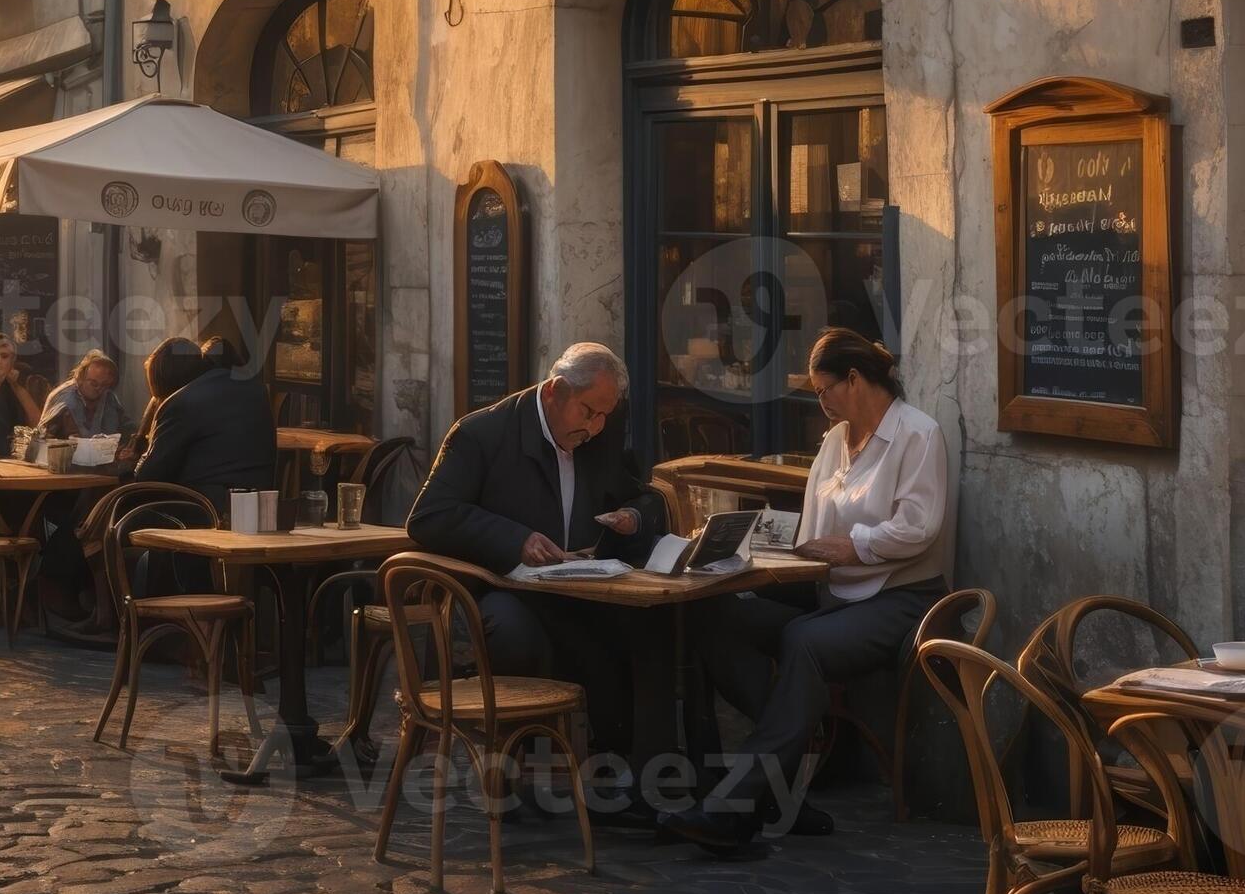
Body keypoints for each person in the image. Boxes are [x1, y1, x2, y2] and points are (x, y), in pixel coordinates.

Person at [657, 330, 952, 856]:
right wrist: (754, 544)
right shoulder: (835, 441)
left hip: (902, 597)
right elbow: (812, 531)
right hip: (835, 591)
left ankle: (733, 809)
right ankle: (773, 782)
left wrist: (852, 546)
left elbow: (919, 527)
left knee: (803, 642)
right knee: (712, 615)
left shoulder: (918, 434)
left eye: (823, 390)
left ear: (855, 380)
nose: (820, 403)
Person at [405, 342, 661, 804]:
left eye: (605, 416)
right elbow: (428, 517)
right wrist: (514, 539)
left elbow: (640, 494)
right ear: (554, 391)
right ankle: (512, 770)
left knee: (647, 626)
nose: (595, 427)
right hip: (498, 587)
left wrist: (633, 516)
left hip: (579, 587)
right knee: (517, 632)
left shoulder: (598, 433)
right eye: (588, 412)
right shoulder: (482, 433)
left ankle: (631, 771)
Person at [132, 335, 276, 514]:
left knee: (125, 510)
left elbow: (147, 477)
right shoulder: (255, 389)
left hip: (204, 511)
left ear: (166, 381)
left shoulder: (181, 403)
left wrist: (137, 456)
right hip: (258, 507)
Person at [41, 350, 129, 439]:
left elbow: (125, 426)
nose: (99, 389)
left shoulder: (109, 397)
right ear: (81, 378)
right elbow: (45, 437)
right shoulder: (64, 400)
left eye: (105, 385)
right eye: (94, 384)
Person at [0, 331, 47, 425]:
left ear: (12, 360)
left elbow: (38, 423)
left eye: (4, 356)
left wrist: (15, 385)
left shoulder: (14, 384)